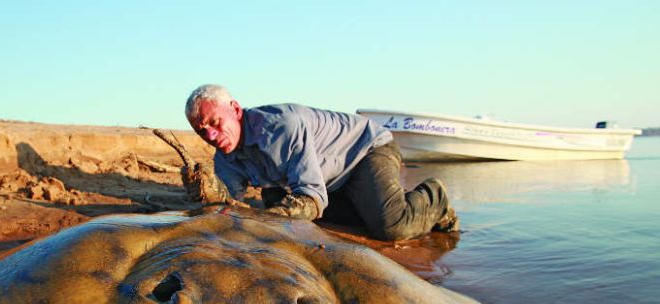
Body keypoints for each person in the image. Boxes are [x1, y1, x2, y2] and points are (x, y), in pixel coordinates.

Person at [184, 84, 458, 241]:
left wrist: (269, 219)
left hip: (365, 150)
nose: (210, 135)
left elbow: (312, 200)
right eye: (201, 130)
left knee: (391, 227)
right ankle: (374, 200)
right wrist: (206, 191)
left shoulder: (280, 128)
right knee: (279, 202)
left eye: (215, 123)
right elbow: (226, 206)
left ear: (235, 109)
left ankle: (435, 197)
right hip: (327, 175)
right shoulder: (225, 155)